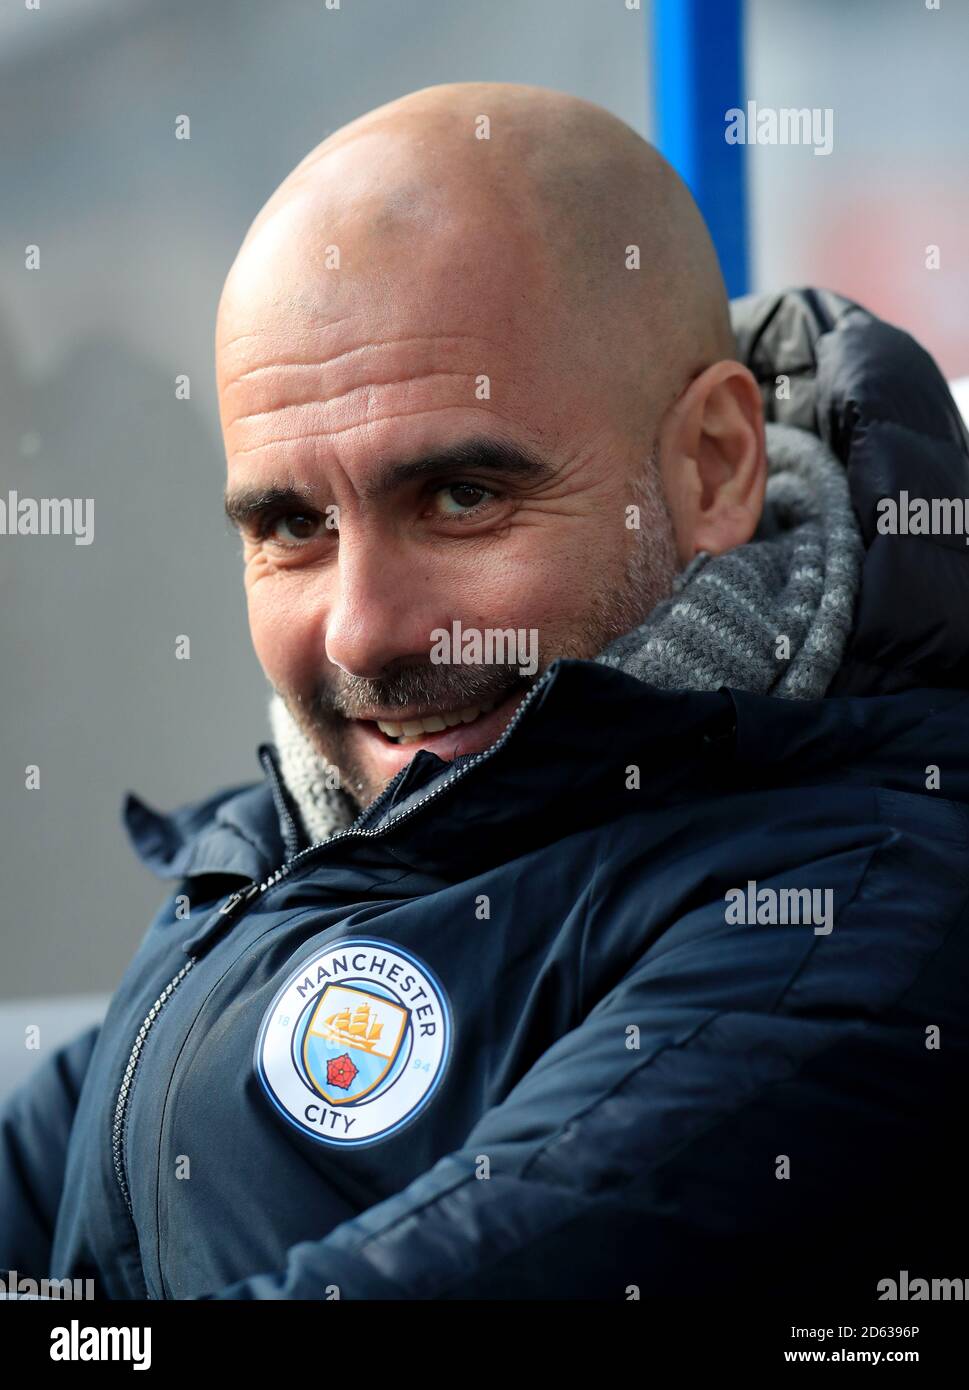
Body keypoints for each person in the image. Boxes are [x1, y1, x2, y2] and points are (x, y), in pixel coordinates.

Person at [3, 82, 969, 1300]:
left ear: (713, 468)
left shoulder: (851, 909)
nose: (362, 630)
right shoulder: (297, 847)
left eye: (462, 498)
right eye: (293, 525)